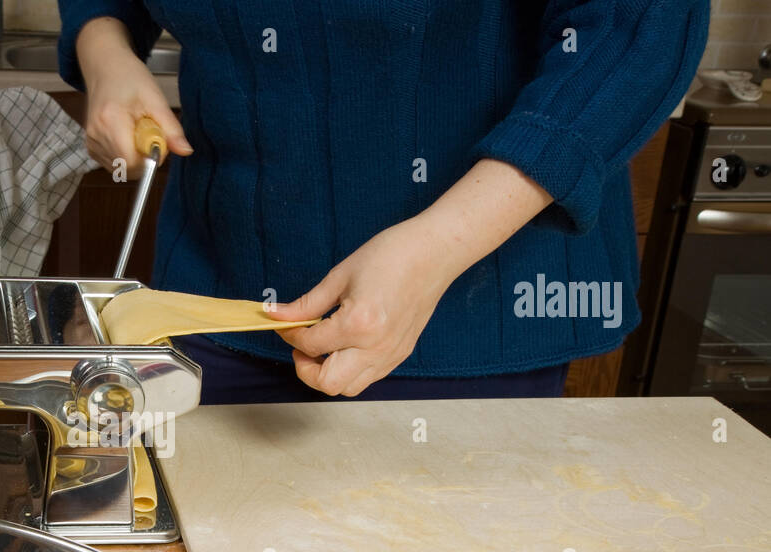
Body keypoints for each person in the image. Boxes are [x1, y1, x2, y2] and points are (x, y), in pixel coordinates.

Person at [57, 2, 709, 403]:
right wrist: (105, 50)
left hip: (474, 316)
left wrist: (437, 247)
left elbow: (637, 28)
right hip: (215, 299)